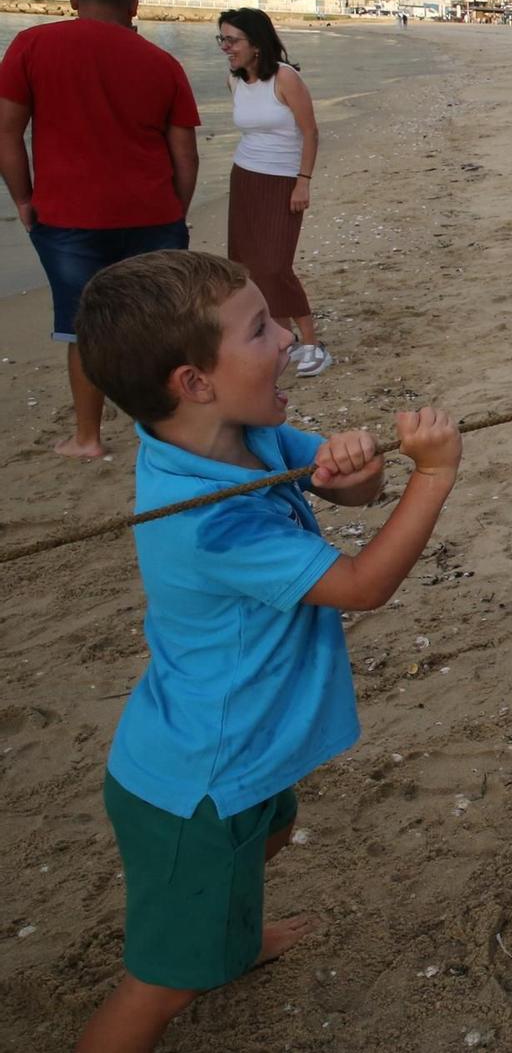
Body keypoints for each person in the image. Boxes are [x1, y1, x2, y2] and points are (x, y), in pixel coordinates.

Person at [67, 249, 460, 1053]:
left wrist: (353, 475)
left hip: (236, 755)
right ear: (194, 381)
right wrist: (435, 477)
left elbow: (349, 489)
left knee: (271, 832)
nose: (285, 336)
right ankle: (207, 942)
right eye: (259, 329)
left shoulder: (238, 435)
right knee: (161, 986)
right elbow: (359, 585)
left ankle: (231, 934)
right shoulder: (211, 516)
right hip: (194, 783)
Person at [0, 0, 199, 460]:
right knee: (160, 325)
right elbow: (185, 154)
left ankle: (88, 438)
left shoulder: (32, 46)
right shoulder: (162, 63)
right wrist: (177, 210)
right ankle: (175, 432)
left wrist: (23, 198)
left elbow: (6, 132)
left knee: (83, 327)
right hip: (153, 214)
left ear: (73, 0)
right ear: (133, 5)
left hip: (68, 216)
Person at [216, 9, 328, 378]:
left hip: (283, 180)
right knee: (247, 264)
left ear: (257, 43)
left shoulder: (286, 78)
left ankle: (312, 343)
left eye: (232, 40)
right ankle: (284, 337)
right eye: (222, 40)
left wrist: (303, 180)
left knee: (275, 265)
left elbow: (309, 132)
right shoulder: (236, 82)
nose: (226, 48)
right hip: (245, 176)